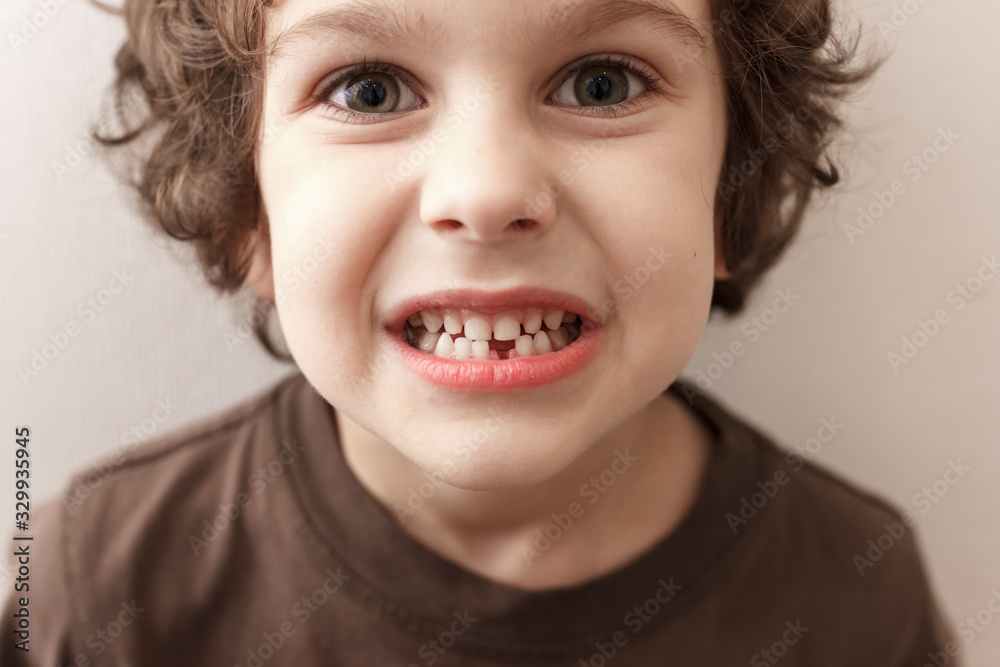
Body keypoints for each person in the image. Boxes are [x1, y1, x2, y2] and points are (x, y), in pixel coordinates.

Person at [3, 0, 960, 664]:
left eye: (600, 84)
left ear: (729, 188)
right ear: (247, 214)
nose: (489, 190)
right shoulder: (97, 593)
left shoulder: (854, 596)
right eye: (370, 90)